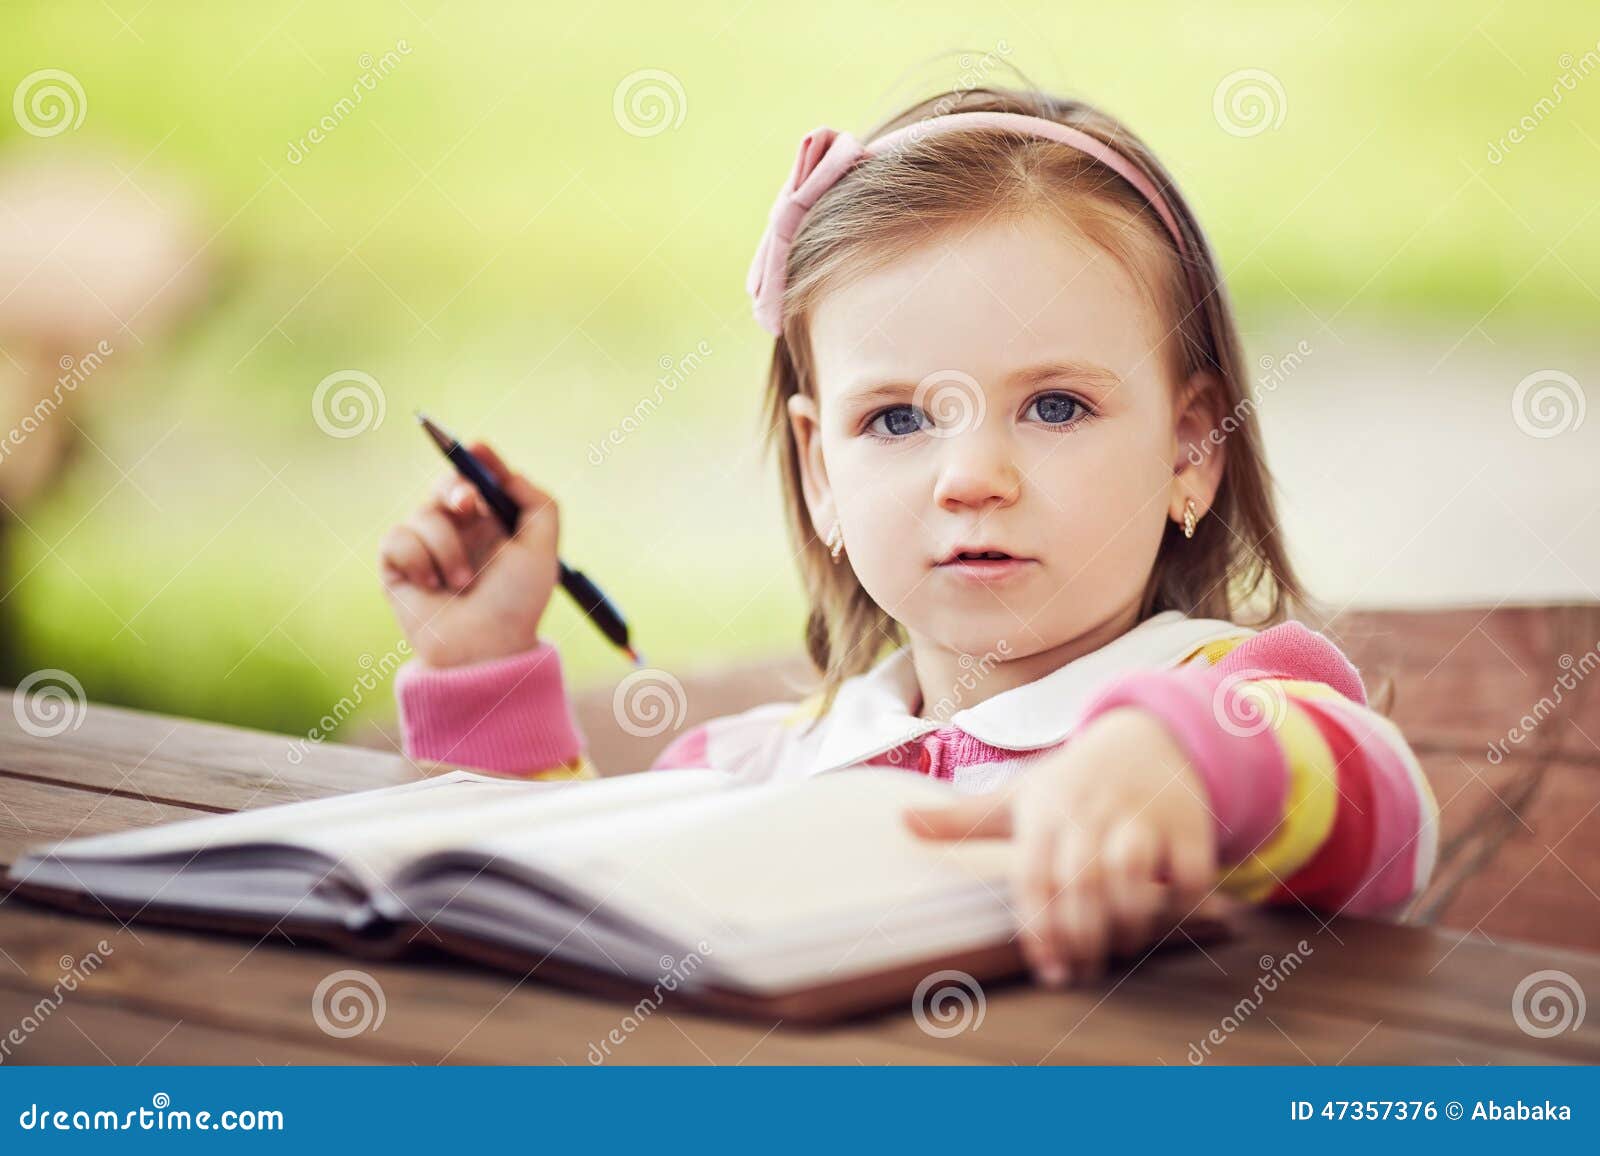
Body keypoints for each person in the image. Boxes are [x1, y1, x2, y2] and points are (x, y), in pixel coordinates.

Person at [378, 87, 1439, 988]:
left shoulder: (1224, 700)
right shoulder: (761, 763)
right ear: (820, 473)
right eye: (895, 419)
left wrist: (1178, 758)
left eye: (1057, 406)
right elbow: (569, 931)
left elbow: (1378, 813)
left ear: (1189, 450)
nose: (973, 476)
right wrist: (483, 676)